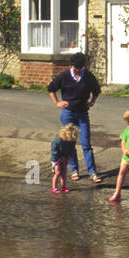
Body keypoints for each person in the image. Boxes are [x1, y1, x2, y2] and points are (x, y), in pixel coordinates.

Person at [47, 52, 102, 183]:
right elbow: (51, 88)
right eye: (75, 67)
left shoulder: (88, 77)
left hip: (83, 113)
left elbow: (96, 91)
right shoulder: (64, 76)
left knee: (86, 143)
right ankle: (74, 170)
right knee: (69, 142)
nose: (77, 70)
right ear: (72, 65)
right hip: (68, 113)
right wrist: (57, 102)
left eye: (79, 67)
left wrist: (92, 102)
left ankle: (92, 172)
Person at [50, 123, 79, 193]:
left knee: (64, 173)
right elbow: (54, 151)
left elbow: (72, 150)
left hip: (65, 157)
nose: (70, 140)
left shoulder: (72, 141)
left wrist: (69, 156)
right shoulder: (57, 141)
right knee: (57, 172)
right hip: (56, 159)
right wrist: (59, 158)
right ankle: (54, 187)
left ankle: (63, 187)